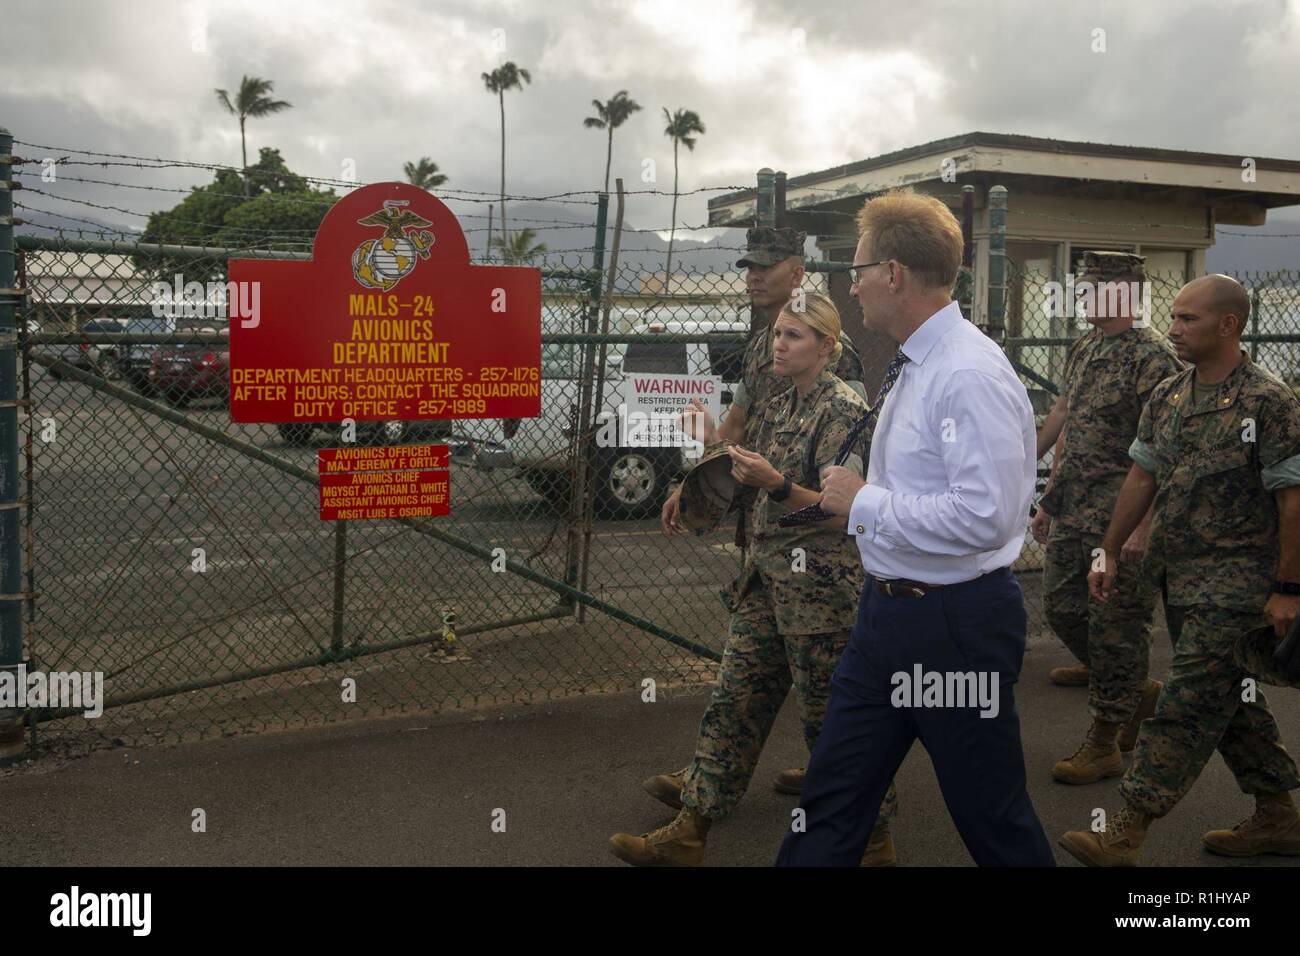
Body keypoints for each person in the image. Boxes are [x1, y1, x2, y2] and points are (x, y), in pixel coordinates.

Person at [776, 189, 1054, 867]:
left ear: (893, 274)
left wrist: (864, 504)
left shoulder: (966, 373)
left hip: (953, 628)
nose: (853, 284)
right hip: (887, 621)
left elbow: (985, 516)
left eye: (860, 268)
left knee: (993, 818)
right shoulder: (918, 359)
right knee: (831, 801)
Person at [610, 293, 893, 865]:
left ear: (827, 348)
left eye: (794, 336)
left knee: (830, 724)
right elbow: (738, 468)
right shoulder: (782, 405)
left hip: (822, 597)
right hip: (766, 583)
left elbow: (841, 511)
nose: (778, 346)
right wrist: (689, 486)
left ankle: (876, 836)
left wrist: (777, 484)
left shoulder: (845, 412)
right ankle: (691, 831)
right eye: (778, 335)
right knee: (734, 701)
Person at [1059, 274, 1300, 866]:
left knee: (1187, 703)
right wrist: (1109, 551)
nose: (1174, 329)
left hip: (1239, 583)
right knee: (1232, 701)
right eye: (1173, 317)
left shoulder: (1268, 401)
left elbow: (1293, 499)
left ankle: (1126, 831)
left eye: (1189, 319)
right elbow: (1141, 475)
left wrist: (1287, 588)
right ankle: (1278, 815)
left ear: (1228, 325)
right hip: (1181, 577)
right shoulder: (1170, 394)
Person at [1031, 252, 1182, 783]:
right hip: (1076, 506)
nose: (1081, 297)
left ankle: (1105, 742)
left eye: (1092, 288)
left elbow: (1166, 450)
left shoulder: (1154, 359)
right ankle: (1130, 686)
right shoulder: (1085, 347)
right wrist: (1045, 487)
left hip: (1121, 515)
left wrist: (1142, 526)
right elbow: (1066, 415)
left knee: (1116, 623)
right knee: (1061, 604)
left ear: (1124, 293)